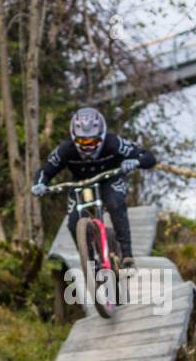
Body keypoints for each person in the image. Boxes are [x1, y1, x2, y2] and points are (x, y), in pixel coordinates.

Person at [31, 107, 155, 268]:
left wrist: (136, 161)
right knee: (73, 221)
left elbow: (148, 156)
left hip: (108, 178)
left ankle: (126, 254)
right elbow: (45, 171)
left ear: (102, 138)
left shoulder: (114, 143)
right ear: (74, 138)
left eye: (93, 141)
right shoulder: (65, 150)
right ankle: (88, 259)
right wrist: (39, 184)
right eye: (83, 142)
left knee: (115, 203)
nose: (88, 146)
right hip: (80, 183)